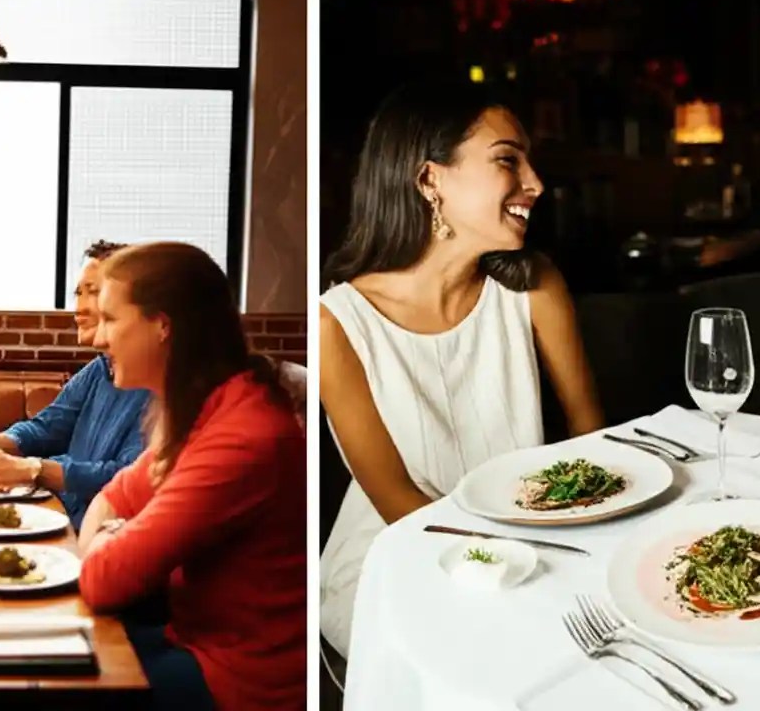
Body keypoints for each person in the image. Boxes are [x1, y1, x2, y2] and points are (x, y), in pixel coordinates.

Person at [318, 80, 603, 657]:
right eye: (507, 160)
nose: (536, 184)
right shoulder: (338, 324)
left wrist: (580, 548)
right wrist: (522, 572)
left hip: (537, 543)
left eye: (529, 161)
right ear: (431, 180)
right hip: (401, 555)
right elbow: (398, 502)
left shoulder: (535, 285)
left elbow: (591, 438)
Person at [74, 242, 305, 711]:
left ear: (162, 326)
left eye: (111, 319)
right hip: (193, 640)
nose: (99, 338)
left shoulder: (243, 433)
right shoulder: (207, 406)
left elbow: (102, 578)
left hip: (243, 682)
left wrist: (107, 543)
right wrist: (108, 539)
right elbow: (110, 499)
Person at [0, 241, 149, 530]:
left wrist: (33, 468)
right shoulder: (98, 369)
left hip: (88, 534)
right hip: (61, 519)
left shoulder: (153, 383)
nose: (79, 308)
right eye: (78, 293)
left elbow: (125, 478)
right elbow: (47, 428)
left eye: (93, 292)